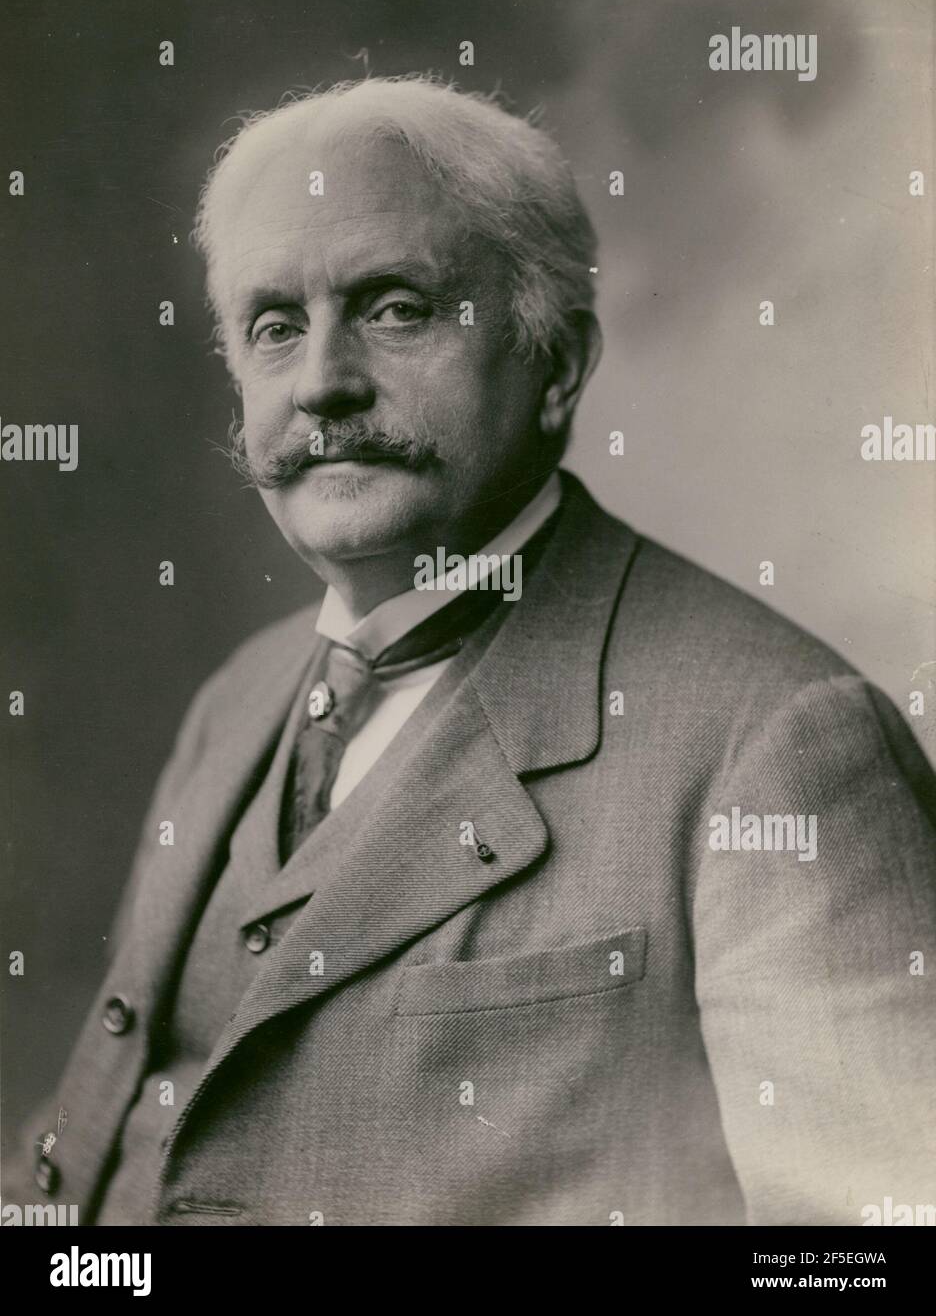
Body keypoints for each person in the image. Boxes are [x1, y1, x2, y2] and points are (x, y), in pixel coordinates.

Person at [9, 76, 936, 1226]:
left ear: (555, 369)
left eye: (395, 308)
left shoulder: (779, 745)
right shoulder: (236, 702)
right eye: (274, 326)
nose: (322, 382)